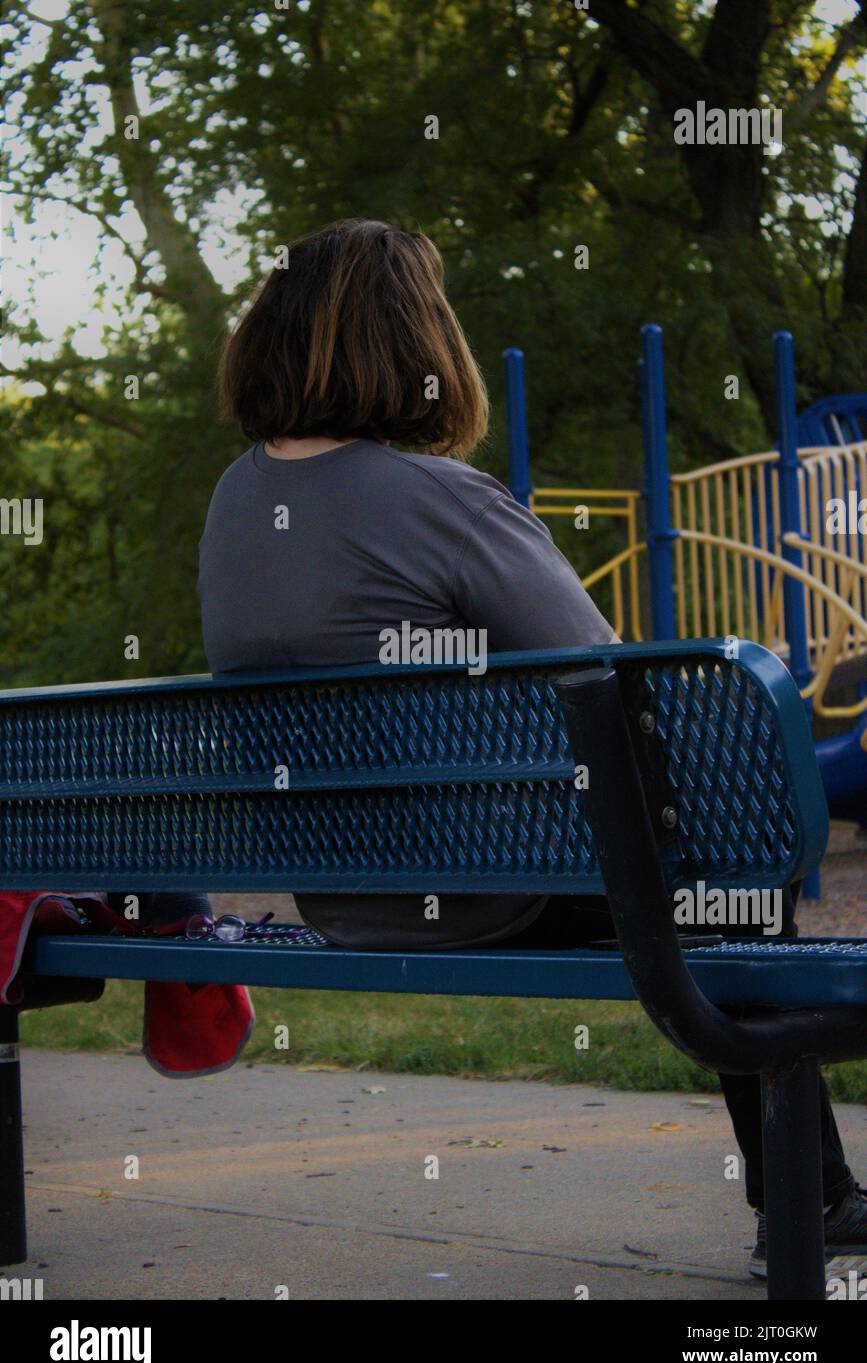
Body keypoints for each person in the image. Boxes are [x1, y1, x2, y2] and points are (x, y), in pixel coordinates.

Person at [199, 216, 866, 1276]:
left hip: (345, 894)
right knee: (741, 894)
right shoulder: (443, 501)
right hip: (494, 891)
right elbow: (620, 692)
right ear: (415, 341)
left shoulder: (235, 504)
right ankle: (816, 1200)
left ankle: (818, 1197)